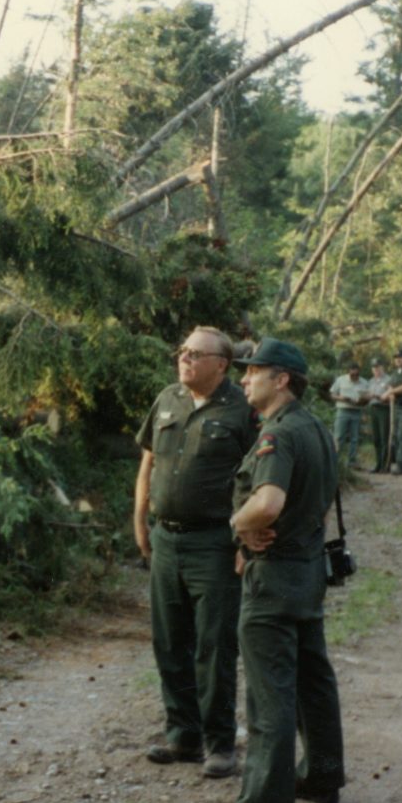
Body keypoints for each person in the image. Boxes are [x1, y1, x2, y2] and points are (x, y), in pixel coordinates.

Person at [204, 337, 345, 803]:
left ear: (281, 380)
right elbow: (319, 503)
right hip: (307, 572)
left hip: (274, 579)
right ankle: (323, 775)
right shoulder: (316, 429)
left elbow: (267, 503)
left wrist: (237, 526)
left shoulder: (279, 434)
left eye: (254, 372)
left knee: (270, 695)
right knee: (312, 680)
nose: (243, 379)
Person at [134, 327, 256, 779]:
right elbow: (148, 461)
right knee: (169, 642)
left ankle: (220, 744)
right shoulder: (168, 398)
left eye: (195, 354)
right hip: (166, 538)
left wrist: (246, 542)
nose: (184, 358)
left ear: (221, 365)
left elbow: (257, 477)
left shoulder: (243, 409)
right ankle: (182, 735)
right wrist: (139, 518)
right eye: (183, 351)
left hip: (215, 543)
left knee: (214, 646)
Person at [328, 357, 369, 469]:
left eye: (356, 374)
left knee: (354, 438)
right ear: (348, 372)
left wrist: (363, 401)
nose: (354, 376)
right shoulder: (341, 380)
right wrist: (341, 398)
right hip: (343, 410)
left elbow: (368, 396)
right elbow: (332, 394)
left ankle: (352, 461)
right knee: (339, 436)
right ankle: (335, 460)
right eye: (352, 374)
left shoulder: (364, 382)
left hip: (357, 411)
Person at [366, 356, 391, 473]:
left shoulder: (388, 380)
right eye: (374, 367)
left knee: (384, 437)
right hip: (373, 409)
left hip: (384, 408)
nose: (376, 369)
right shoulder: (370, 381)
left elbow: (391, 396)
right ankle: (378, 463)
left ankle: (385, 465)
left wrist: (377, 396)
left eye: (378, 367)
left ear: (382, 367)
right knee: (376, 438)